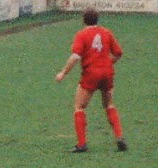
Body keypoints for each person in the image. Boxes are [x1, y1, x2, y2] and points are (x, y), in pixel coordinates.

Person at [54, 9, 126, 153]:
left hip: (91, 74)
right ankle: (119, 137)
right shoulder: (106, 32)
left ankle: (81, 144)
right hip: (107, 72)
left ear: (83, 20)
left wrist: (63, 73)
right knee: (109, 105)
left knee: (79, 106)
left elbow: (75, 57)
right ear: (97, 19)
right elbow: (118, 53)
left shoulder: (81, 35)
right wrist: (107, 63)